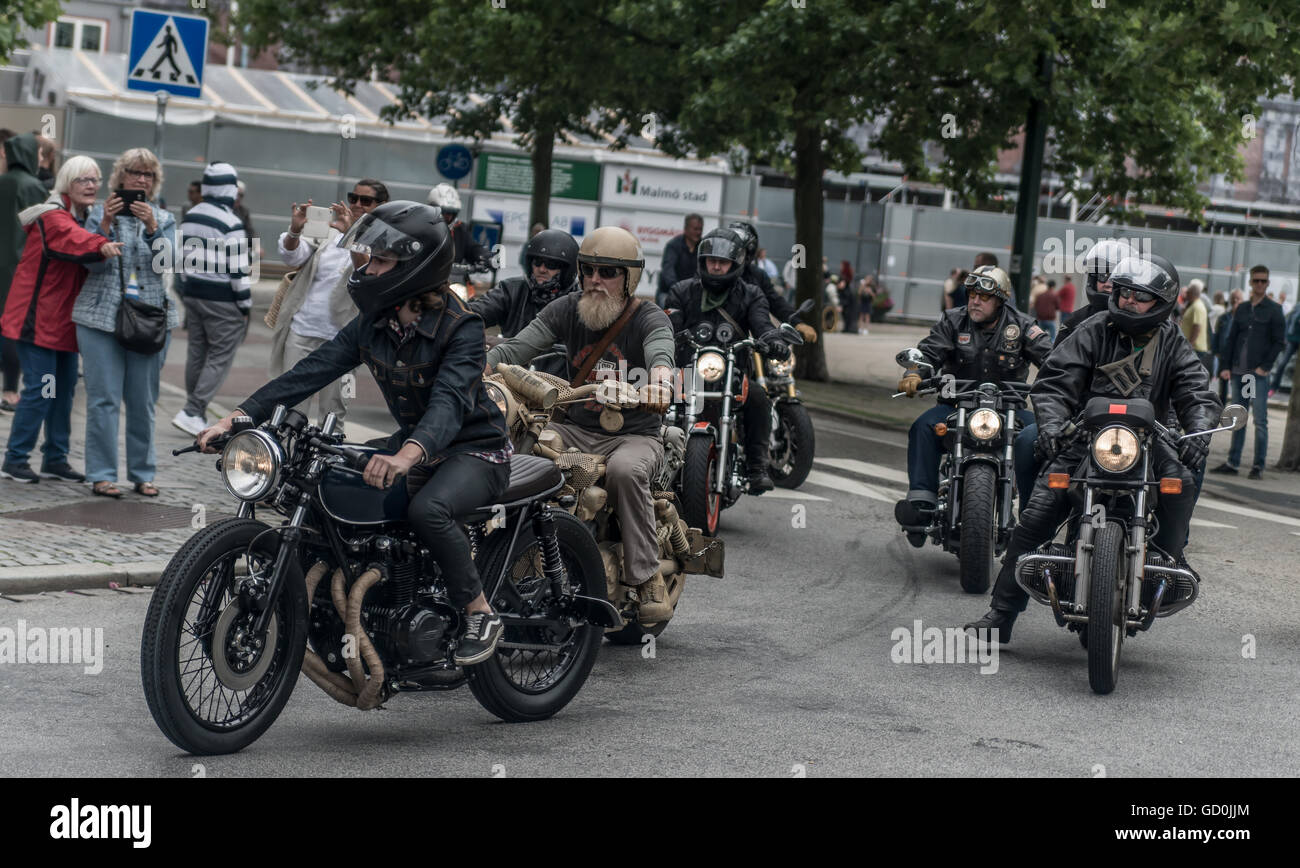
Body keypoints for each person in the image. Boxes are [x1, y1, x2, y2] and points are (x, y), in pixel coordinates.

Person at [197, 202, 513, 664]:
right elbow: (311, 371)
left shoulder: (460, 328)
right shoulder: (375, 323)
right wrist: (237, 417)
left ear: (415, 268)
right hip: (414, 444)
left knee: (430, 509)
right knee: (335, 482)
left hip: (474, 450)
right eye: (370, 257)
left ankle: (479, 612)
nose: (369, 268)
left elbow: (448, 404)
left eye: (382, 261)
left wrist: (408, 454)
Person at [966, 254, 1221, 642]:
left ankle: (1169, 556)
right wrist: (1052, 424)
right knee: (1037, 515)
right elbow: (1054, 381)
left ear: (1163, 302)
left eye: (1141, 296)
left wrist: (1199, 430)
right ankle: (1002, 615)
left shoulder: (1172, 340)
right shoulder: (1093, 328)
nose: (1129, 301)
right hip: (1087, 438)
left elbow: (1197, 392)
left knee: (1180, 482)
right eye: (1124, 293)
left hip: (1149, 442)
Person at [486, 226, 677, 624]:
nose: (595, 280)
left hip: (634, 434)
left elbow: (661, 351)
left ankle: (646, 577)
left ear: (629, 278)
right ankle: (501, 548)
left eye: (608, 272)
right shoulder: (565, 309)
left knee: (626, 471)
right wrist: (473, 368)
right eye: (589, 270)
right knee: (527, 444)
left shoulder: (648, 316)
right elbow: (515, 348)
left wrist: (660, 382)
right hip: (575, 426)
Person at [893, 265, 1052, 541]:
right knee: (923, 427)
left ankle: (1034, 513)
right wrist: (914, 372)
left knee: (1041, 437)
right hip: (957, 406)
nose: (975, 301)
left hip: (1009, 411)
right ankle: (922, 504)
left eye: (984, 297)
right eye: (971, 295)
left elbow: (1054, 362)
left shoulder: (1024, 326)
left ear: (1000, 300)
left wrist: (1064, 386)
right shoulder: (952, 321)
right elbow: (930, 351)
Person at [1, 156, 123, 483]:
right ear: (67, 182)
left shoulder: (83, 216)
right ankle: (15, 458)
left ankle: (54, 457)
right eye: (83, 179)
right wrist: (103, 242)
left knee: (63, 390)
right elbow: (73, 240)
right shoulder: (53, 216)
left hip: (63, 322)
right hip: (37, 318)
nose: (91, 185)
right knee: (42, 389)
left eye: (96, 180)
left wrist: (104, 228)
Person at [73, 147, 180, 498]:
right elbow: (90, 264)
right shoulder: (99, 215)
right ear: (121, 176)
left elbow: (166, 265)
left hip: (147, 320)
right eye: (135, 172)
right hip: (100, 318)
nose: (141, 179)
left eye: (148, 174)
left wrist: (151, 227)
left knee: (142, 400)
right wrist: (103, 225)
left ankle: (142, 473)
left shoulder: (163, 218)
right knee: (103, 400)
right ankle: (102, 475)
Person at [665, 226, 789, 492]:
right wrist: (669, 332)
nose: (717, 267)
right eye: (712, 261)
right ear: (703, 261)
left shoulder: (751, 294)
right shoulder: (682, 291)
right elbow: (668, 324)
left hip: (731, 374)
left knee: (758, 397)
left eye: (723, 262)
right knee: (657, 399)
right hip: (687, 373)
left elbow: (762, 324)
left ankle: (757, 467)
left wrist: (774, 340)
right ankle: (651, 461)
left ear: (736, 264)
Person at [268, 179, 390, 435]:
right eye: (353, 197)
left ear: (381, 206)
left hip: (345, 342)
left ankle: (324, 469)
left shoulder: (384, 239)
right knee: (290, 406)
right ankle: (279, 463)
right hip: (302, 331)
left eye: (365, 201)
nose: (357, 204)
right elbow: (293, 257)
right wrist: (294, 230)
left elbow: (366, 274)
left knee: (334, 412)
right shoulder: (330, 230)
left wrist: (351, 235)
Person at [172, 162, 252, 436]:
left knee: (197, 352)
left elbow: (180, 257)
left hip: (193, 293)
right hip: (223, 299)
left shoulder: (191, 214)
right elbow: (239, 271)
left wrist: (186, 287)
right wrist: (245, 305)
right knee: (219, 355)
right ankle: (192, 411)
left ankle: (195, 411)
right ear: (230, 188)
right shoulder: (232, 221)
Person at [471, 228, 578, 378]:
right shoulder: (512, 290)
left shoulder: (577, 303)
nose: (542, 269)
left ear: (567, 269)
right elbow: (474, 314)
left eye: (551, 264)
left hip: (561, 384)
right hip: (507, 377)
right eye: (538, 262)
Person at [1211, 265, 1287, 479]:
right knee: (1238, 418)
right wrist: (1225, 366)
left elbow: (1279, 342)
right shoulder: (1243, 308)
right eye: (1256, 281)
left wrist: (1265, 367)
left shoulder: (1274, 309)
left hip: (1258, 374)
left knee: (1260, 420)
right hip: (1238, 372)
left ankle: (1258, 466)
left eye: (1264, 281)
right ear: (1251, 283)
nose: (1260, 284)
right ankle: (1233, 462)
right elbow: (1231, 338)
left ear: (1268, 283)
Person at [1, 133, 52, 414]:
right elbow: (44, 228)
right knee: (12, 328)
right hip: (21, 268)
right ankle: (10, 390)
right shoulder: (33, 186)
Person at [727, 220, 816, 343]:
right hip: (717, 337)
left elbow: (775, 301)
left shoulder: (757, 275)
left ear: (750, 251)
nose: (717, 266)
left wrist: (798, 323)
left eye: (741, 250)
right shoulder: (711, 274)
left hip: (753, 338)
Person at [1057, 238, 1131, 345]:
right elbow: (1055, 360)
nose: (1108, 283)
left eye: (1115, 279)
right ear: (1093, 279)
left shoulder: (1134, 323)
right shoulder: (1074, 321)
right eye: (1103, 276)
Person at [426, 183, 489, 268]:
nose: (449, 217)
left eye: (453, 213)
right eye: (445, 213)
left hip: (453, 278)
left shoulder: (459, 228)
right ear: (433, 209)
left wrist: (484, 256)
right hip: (425, 278)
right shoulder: (422, 227)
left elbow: (472, 248)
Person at [657, 213, 703, 307]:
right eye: (695, 229)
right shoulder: (673, 246)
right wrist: (679, 290)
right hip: (670, 292)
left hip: (694, 294)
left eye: (700, 229)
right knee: (666, 316)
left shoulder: (704, 247)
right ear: (686, 229)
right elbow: (668, 271)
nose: (698, 232)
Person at [1180, 279, 1211, 373]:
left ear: (1192, 293)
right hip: (1193, 348)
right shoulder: (1193, 305)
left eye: (1188, 292)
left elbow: (1197, 327)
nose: (1186, 294)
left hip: (1195, 348)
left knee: (1191, 374)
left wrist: (1189, 345)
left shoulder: (1197, 307)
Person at [1269, 305, 1300, 395]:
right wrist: (1285, 337)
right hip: (1293, 340)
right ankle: (1274, 387)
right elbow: (1289, 321)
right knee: (1282, 363)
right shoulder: (1297, 306)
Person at [233, 180, 256, 246]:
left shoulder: (243, 211)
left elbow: (250, 232)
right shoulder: (222, 210)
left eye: (240, 195)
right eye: (235, 194)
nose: (237, 198)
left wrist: (257, 247)